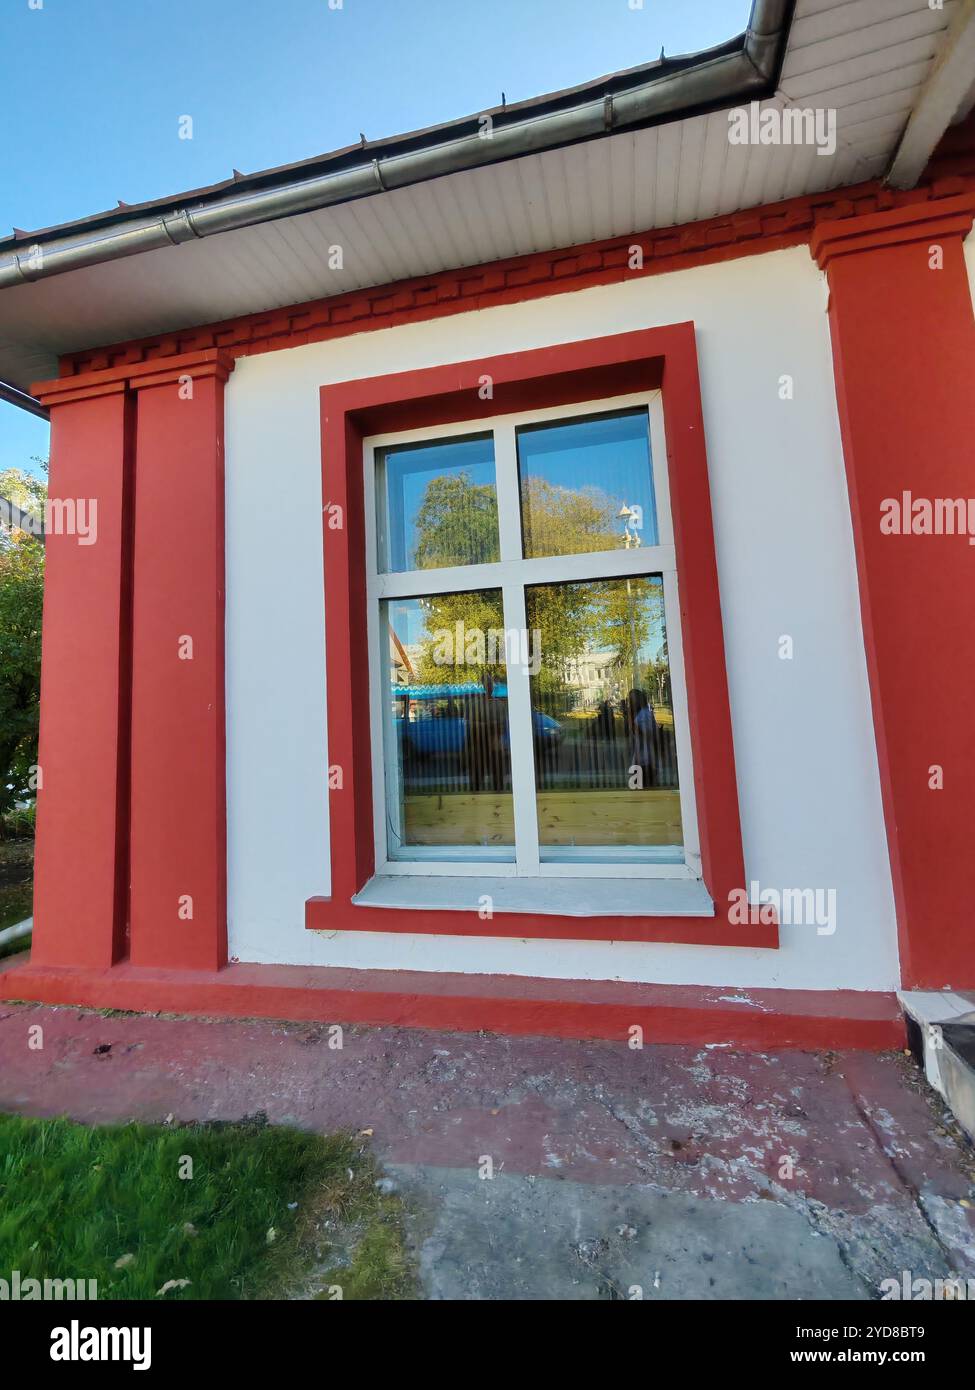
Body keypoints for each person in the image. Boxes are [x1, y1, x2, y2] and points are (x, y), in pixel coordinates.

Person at [627, 688, 656, 790]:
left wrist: (632, 723)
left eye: (631, 700)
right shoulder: (640, 713)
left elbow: (647, 734)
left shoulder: (644, 714)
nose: (630, 703)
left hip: (645, 759)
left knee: (643, 787)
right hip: (641, 757)